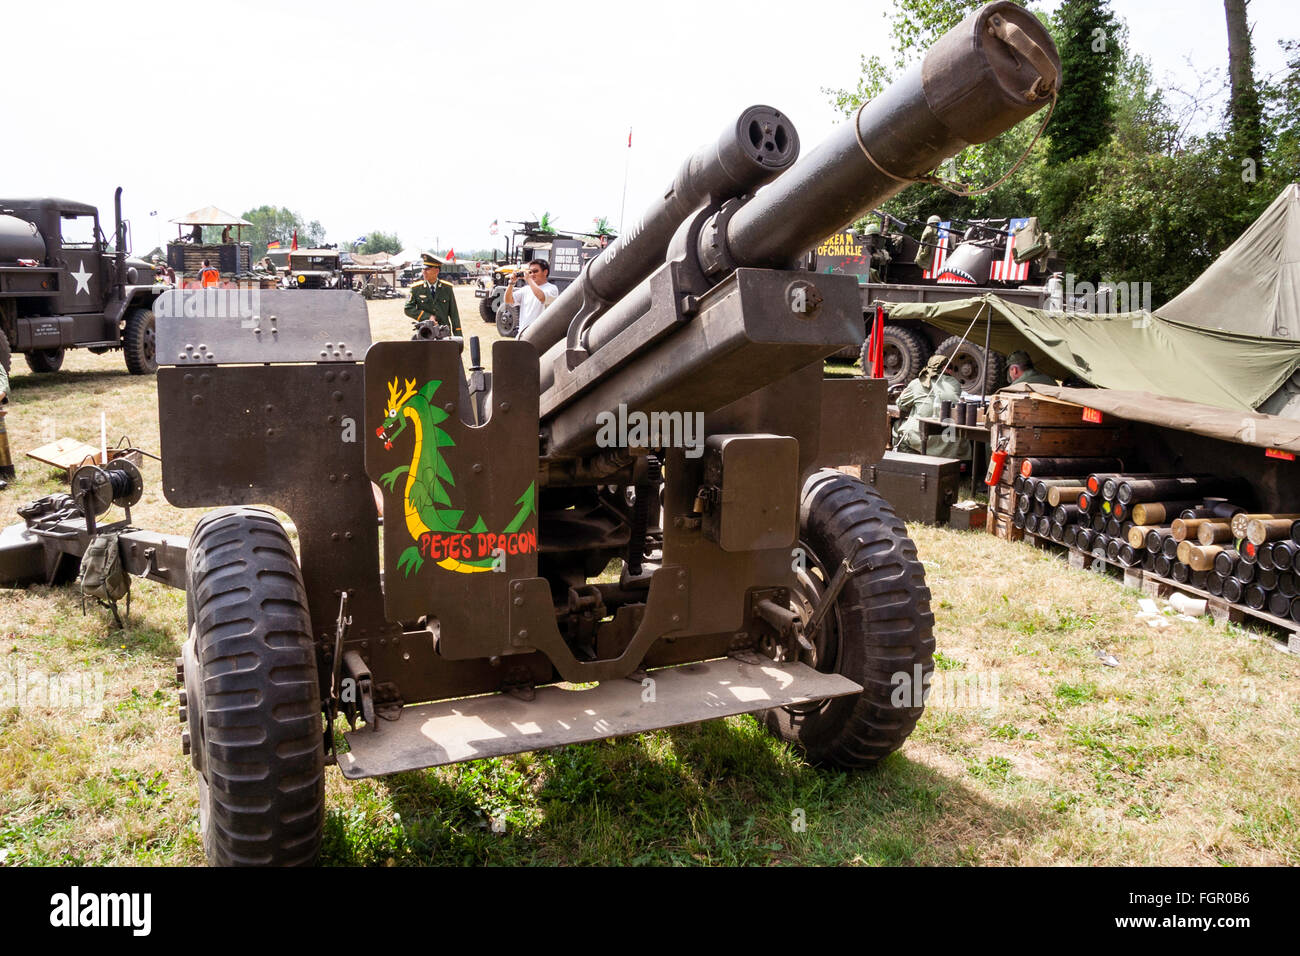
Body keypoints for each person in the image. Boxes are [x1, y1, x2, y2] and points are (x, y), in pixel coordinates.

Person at [895, 353, 969, 459]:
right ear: (945, 369)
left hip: (923, 438)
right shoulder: (955, 384)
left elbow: (901, 405)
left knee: (898, 429)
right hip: (950, 440)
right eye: (950, 368)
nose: (951, 371)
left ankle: (908, 466)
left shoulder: (917, 383)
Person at [404, 252, 461, 335]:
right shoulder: (416, 289)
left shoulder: (447, 288)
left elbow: (454, 315)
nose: (424, 272)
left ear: (437, 271)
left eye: (427, 269)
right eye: (423, 269)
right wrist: (427, 317)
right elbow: (408, 309)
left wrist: (458, 337)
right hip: (425, 333)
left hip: (444, 333)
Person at [505, 259, 558, 335]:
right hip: (524, 334)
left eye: (535, 271)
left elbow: (541, 297)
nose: (532, 274)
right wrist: (511, 283)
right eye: (530, 272)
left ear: (545, 272)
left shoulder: (552, 288)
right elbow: (508, 300)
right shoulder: (526, 289)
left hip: (542, 335)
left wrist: (529, 279)